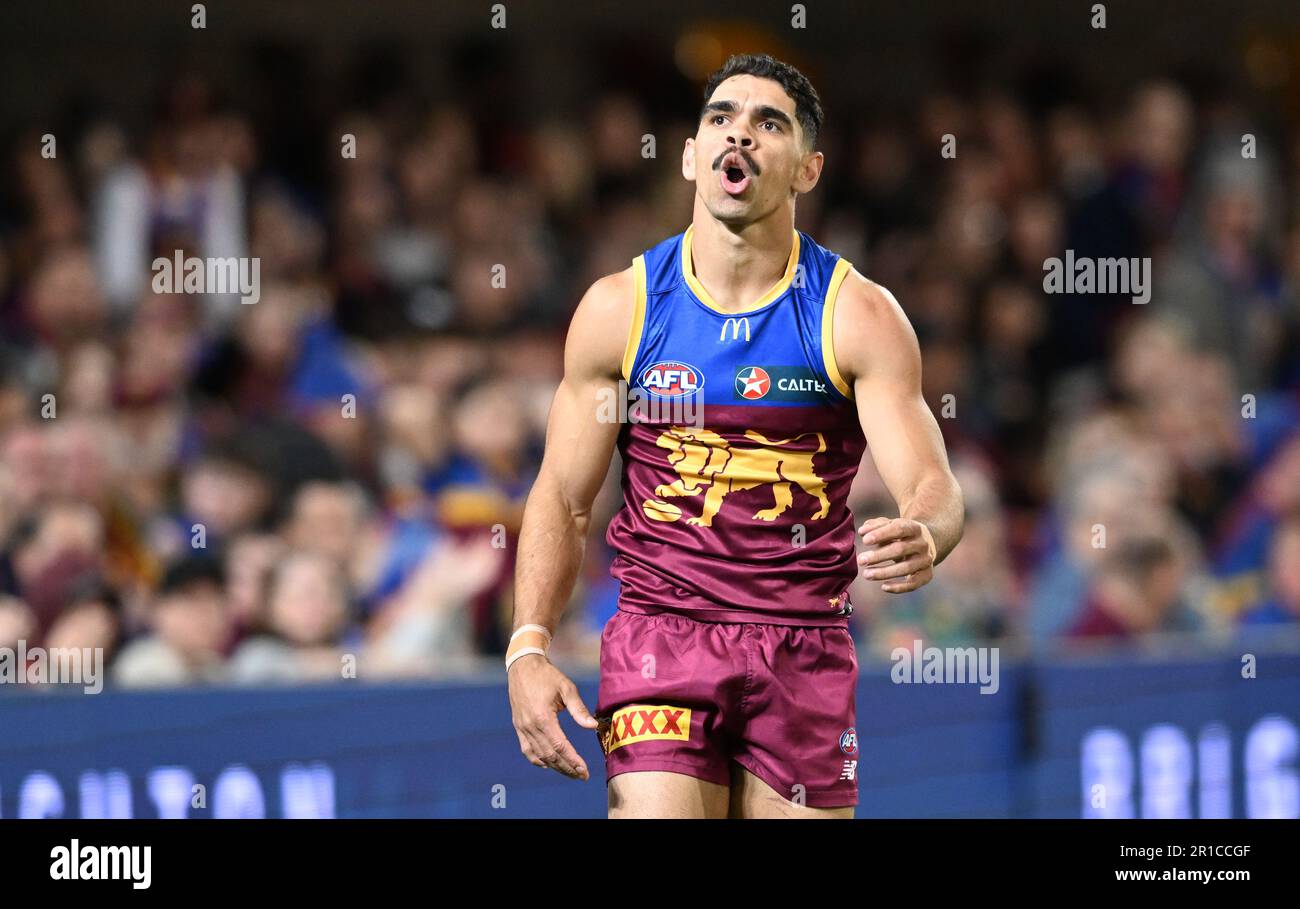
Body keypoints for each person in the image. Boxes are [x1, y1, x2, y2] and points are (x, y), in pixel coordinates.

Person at [506, 54, 964, 818]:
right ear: (691, 155)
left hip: (803, 645)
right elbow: (561, 495)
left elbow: (934, 484)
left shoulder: (858, 316)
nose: (739, 135)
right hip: (663, 635)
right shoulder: (620, 310)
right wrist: (529, 643)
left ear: (807, 170)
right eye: (720, 118)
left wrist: (928, 531)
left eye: (768, 123)